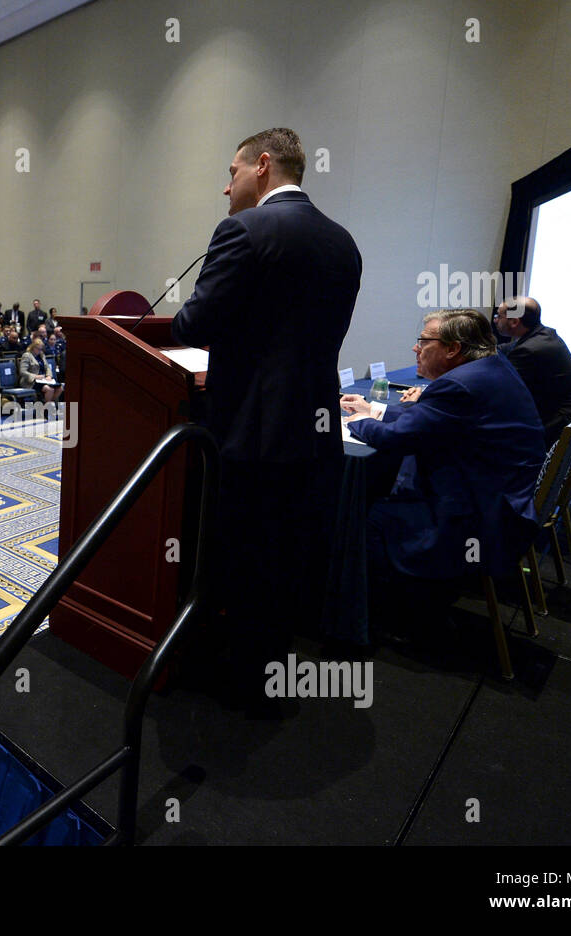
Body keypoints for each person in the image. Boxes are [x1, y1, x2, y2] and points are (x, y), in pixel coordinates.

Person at [170, 128, 362, 692]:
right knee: (285, 559)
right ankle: (271, 675)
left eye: (231, 172)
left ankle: (231, 682)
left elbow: (192, 325)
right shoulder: (343, 241)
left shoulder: (244, 231)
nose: (224, 185)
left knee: (238, 559)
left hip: (249, 433)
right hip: (314, 429)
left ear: (261, 166)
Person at [342, 309, 545, 590]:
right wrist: (374, 410)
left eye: (424, 342)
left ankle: (382, 615)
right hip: (501, 501)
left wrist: (358, 422)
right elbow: (430, 422)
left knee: (357, 517)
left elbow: (397, 439)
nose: (416, 348)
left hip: (475, 518)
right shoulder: (491, 368)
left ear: (452, 349)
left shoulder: (459, 385)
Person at [493, 296, 571, 445]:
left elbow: (498, 388)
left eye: (499, 315)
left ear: (514, 321)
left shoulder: (530, 349)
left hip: (554, 426)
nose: (496, 320)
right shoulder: (542, 334)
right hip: (567, 414)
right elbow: (503, 350)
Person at [18, 338, 63, 404]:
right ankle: (46, 408)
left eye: (41, 349)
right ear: (33, 347)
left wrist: (49, 376)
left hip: (43, 379)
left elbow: (47, 368)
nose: (40, 350)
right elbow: (22, 371)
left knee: (60, 388)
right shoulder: (27, 355)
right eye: (38, 349)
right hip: (31, 381)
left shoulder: (41, 355)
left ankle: (47, 404)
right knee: (49, 389)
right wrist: (35, 376)